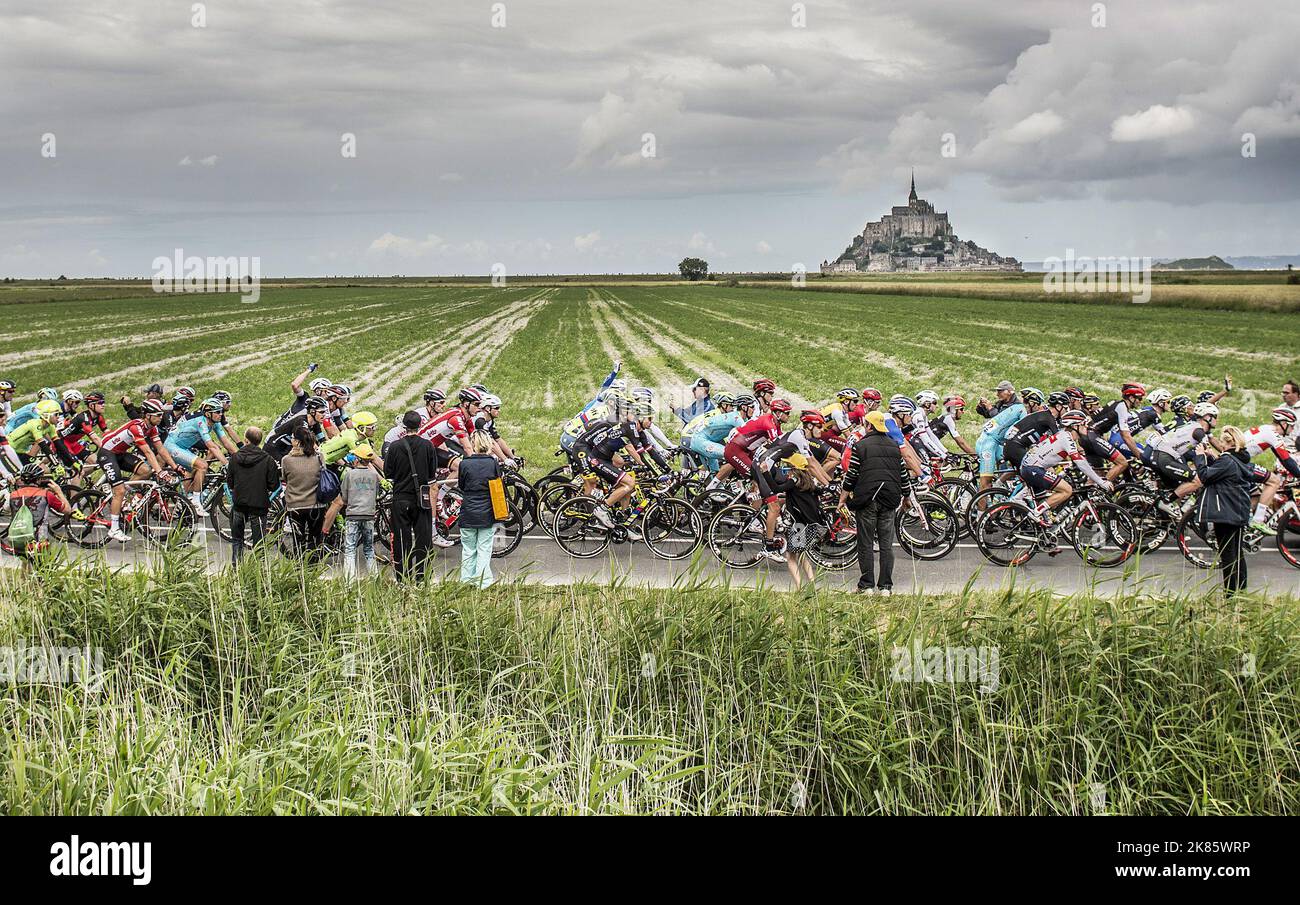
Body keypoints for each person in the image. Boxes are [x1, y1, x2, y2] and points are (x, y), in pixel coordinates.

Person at [839, 411, 906, 596]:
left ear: (869, 426)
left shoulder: (861, 446)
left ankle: (866, 585)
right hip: (890, 500)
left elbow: (851, 476)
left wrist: (843, 498)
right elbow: (903, 476)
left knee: (866, 543)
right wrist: (907, 497)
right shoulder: (894, 446)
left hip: (867, 500)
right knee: (886, 545)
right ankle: (886, 588)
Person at [1192, 427, 1255, 596]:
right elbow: (1223, 474)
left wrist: (1200, 457)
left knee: (1227, 555)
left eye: (1221, 441)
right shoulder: (1242, 459)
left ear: (1228, 443)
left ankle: (1229, 595)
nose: (1218, 444)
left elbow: (1205, 476)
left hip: (1225, 512)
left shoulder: (1227, 461)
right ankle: (1241, 591)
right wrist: (1213, 457)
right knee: (1237, 553)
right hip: (1239, 511)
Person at [386, 410, 436, 582]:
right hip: (421, 498)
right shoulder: (428, 446)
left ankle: (402, 577)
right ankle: (422, 577)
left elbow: (388, 473)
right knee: (423, 539)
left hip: (400, 497)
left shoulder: (394, 446)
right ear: (420, 425)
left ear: (404, 426)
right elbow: (431, 475)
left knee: (401, 539)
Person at [323, 443, 381, 579]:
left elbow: (344, 497)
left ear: (357, 459)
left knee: (349, 549)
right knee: (369, 548)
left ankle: (349, 580)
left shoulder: (350, 475)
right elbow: (376, 494)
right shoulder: (373, 475)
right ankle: (375, 577)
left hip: (352, 515)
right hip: (369, 515)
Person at [766, 453, 820, 590]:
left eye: (788, 466)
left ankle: (799, 587)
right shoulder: (809, 480)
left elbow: (776, 489)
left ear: (793, 468)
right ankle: (812, 584)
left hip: (799, 525)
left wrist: (765, 472)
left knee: (791, 556)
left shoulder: (794, 480)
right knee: (802, 555)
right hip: (811, 524)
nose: (787, 469)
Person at [226, 426, 280, 564]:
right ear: (259, 441)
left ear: (245, 439)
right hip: (259, 505)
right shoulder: (268, 460)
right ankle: (258, 573)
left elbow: (230, 483)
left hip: (239, 504)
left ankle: (236, 569)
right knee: (259, 544)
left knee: (237, 540)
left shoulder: (235, 458)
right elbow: (274, 485)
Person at [457, 430, 502, 588]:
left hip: (468, 510)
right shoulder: (493, 463)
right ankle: (482, 581)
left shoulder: (464, 463)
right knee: (484, 547)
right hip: (487, 512)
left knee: (468, 549)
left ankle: (466, 580)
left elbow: (461, 486)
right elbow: (497, 485)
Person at [279, 426, 326, 557]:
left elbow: (285, 478)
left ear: (298, 442)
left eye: (293, 438)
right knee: (315, 538)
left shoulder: (287, 460)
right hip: (316, 505)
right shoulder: (319, 457)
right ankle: (313, 566)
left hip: (295, 505)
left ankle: (300, 567)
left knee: (298, 540)